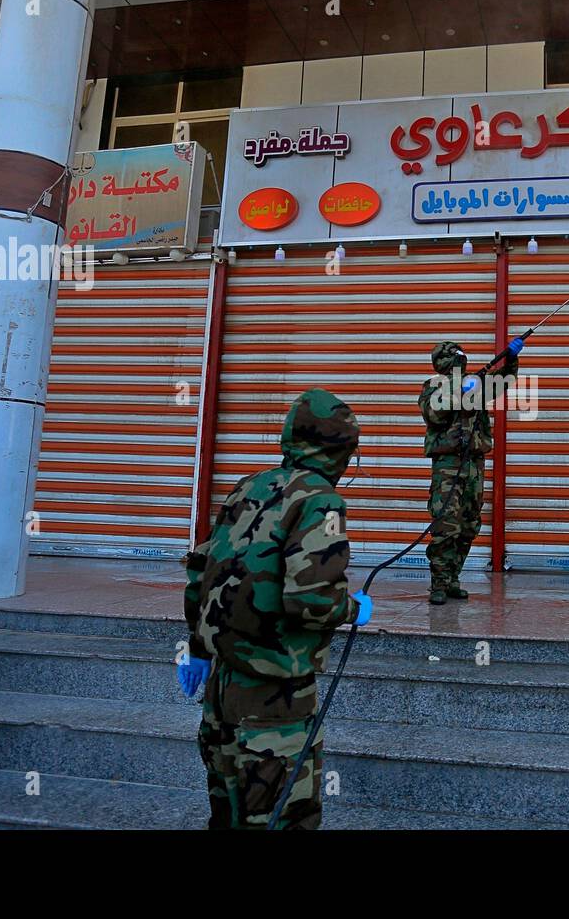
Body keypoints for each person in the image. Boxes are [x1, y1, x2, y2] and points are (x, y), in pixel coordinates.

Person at [177, 387, 373, 829]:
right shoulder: (321, 500)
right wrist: (350, 607)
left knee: (226, 812)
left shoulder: (250, 486)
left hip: (221, 689)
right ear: (340, 451)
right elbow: (310, 599)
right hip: (274, 694)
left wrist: (198, 649)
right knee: (283, 816)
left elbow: (202, 574)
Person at [417, 338, 523, 606]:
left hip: (473, 464)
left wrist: (511, 359)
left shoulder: (476, 385)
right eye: (455, 357)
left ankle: (453, 579)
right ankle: (438, 584)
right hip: (447, 465)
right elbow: (435, 415)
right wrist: (458, 387)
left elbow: (505, 381)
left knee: (469, 523)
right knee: (445, 524)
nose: (460, 360)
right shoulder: (432, 387)